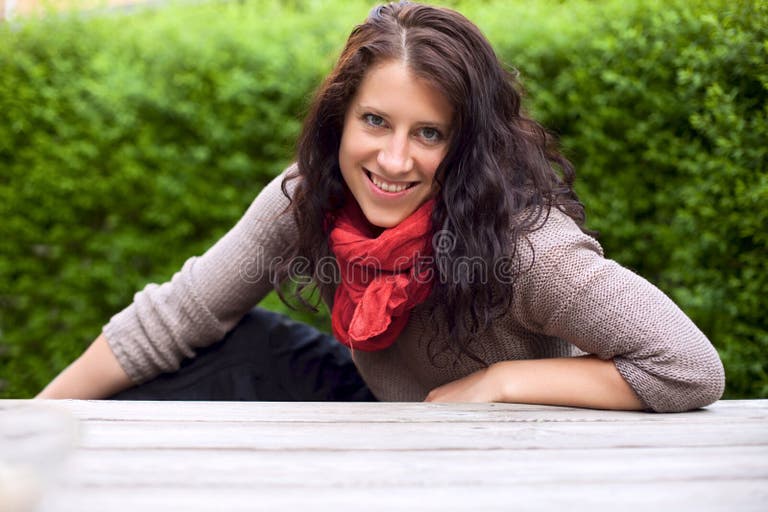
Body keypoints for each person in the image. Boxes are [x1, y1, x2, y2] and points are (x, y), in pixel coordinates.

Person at [37, 1, 725, 412]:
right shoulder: (307, 200)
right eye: (375, 122)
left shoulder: (527, 247)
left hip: (515, 453)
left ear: (467, 146)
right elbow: (174, 316)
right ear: (340, 119)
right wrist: (28, 426)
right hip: (387, 417)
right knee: (233, 348)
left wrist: (501, 382)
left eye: (429, 133)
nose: (394, 161)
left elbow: (689, 367)